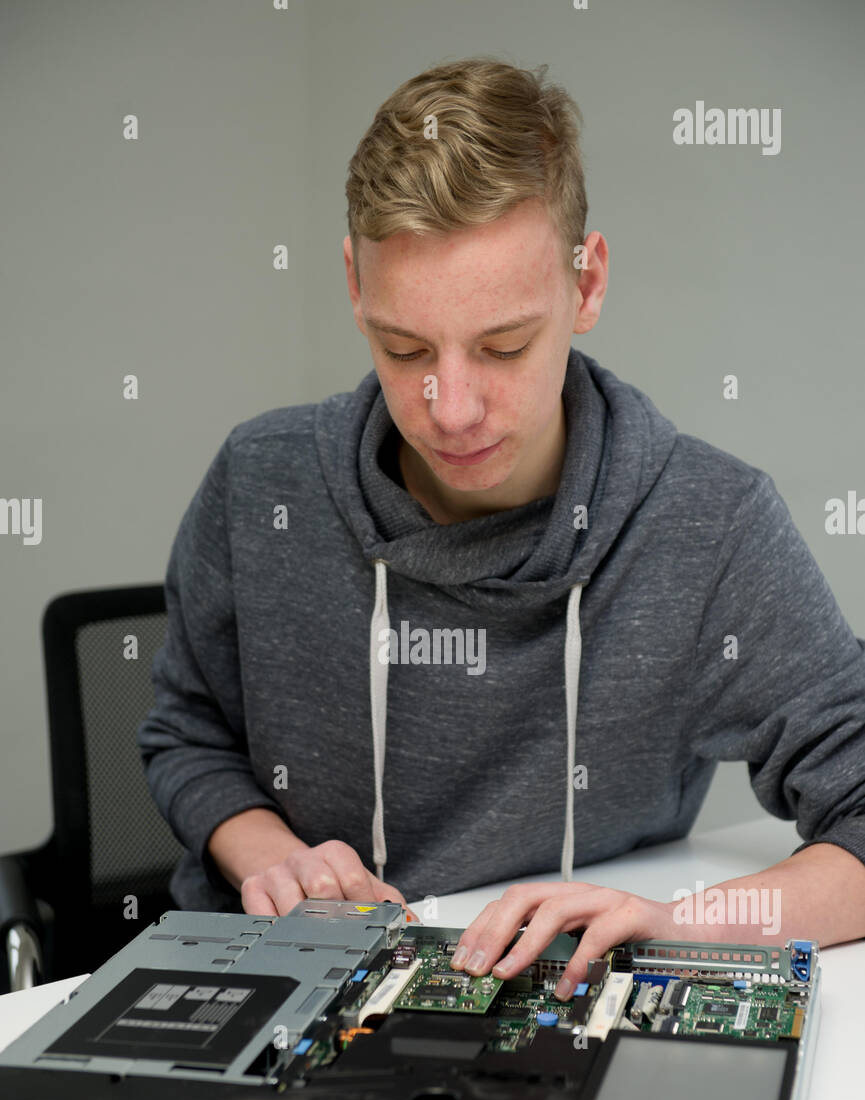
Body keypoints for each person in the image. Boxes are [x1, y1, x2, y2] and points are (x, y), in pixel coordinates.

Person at [137, 57, 865, 1000]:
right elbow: (185, 733)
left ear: (587, 284)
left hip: (549, 995)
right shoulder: (259, 480)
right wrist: (269, 854)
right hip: (271, 984)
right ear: (353, 283)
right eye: (405, 350)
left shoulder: (708, 528)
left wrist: (680, 924)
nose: (450, 408)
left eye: (504, 346)